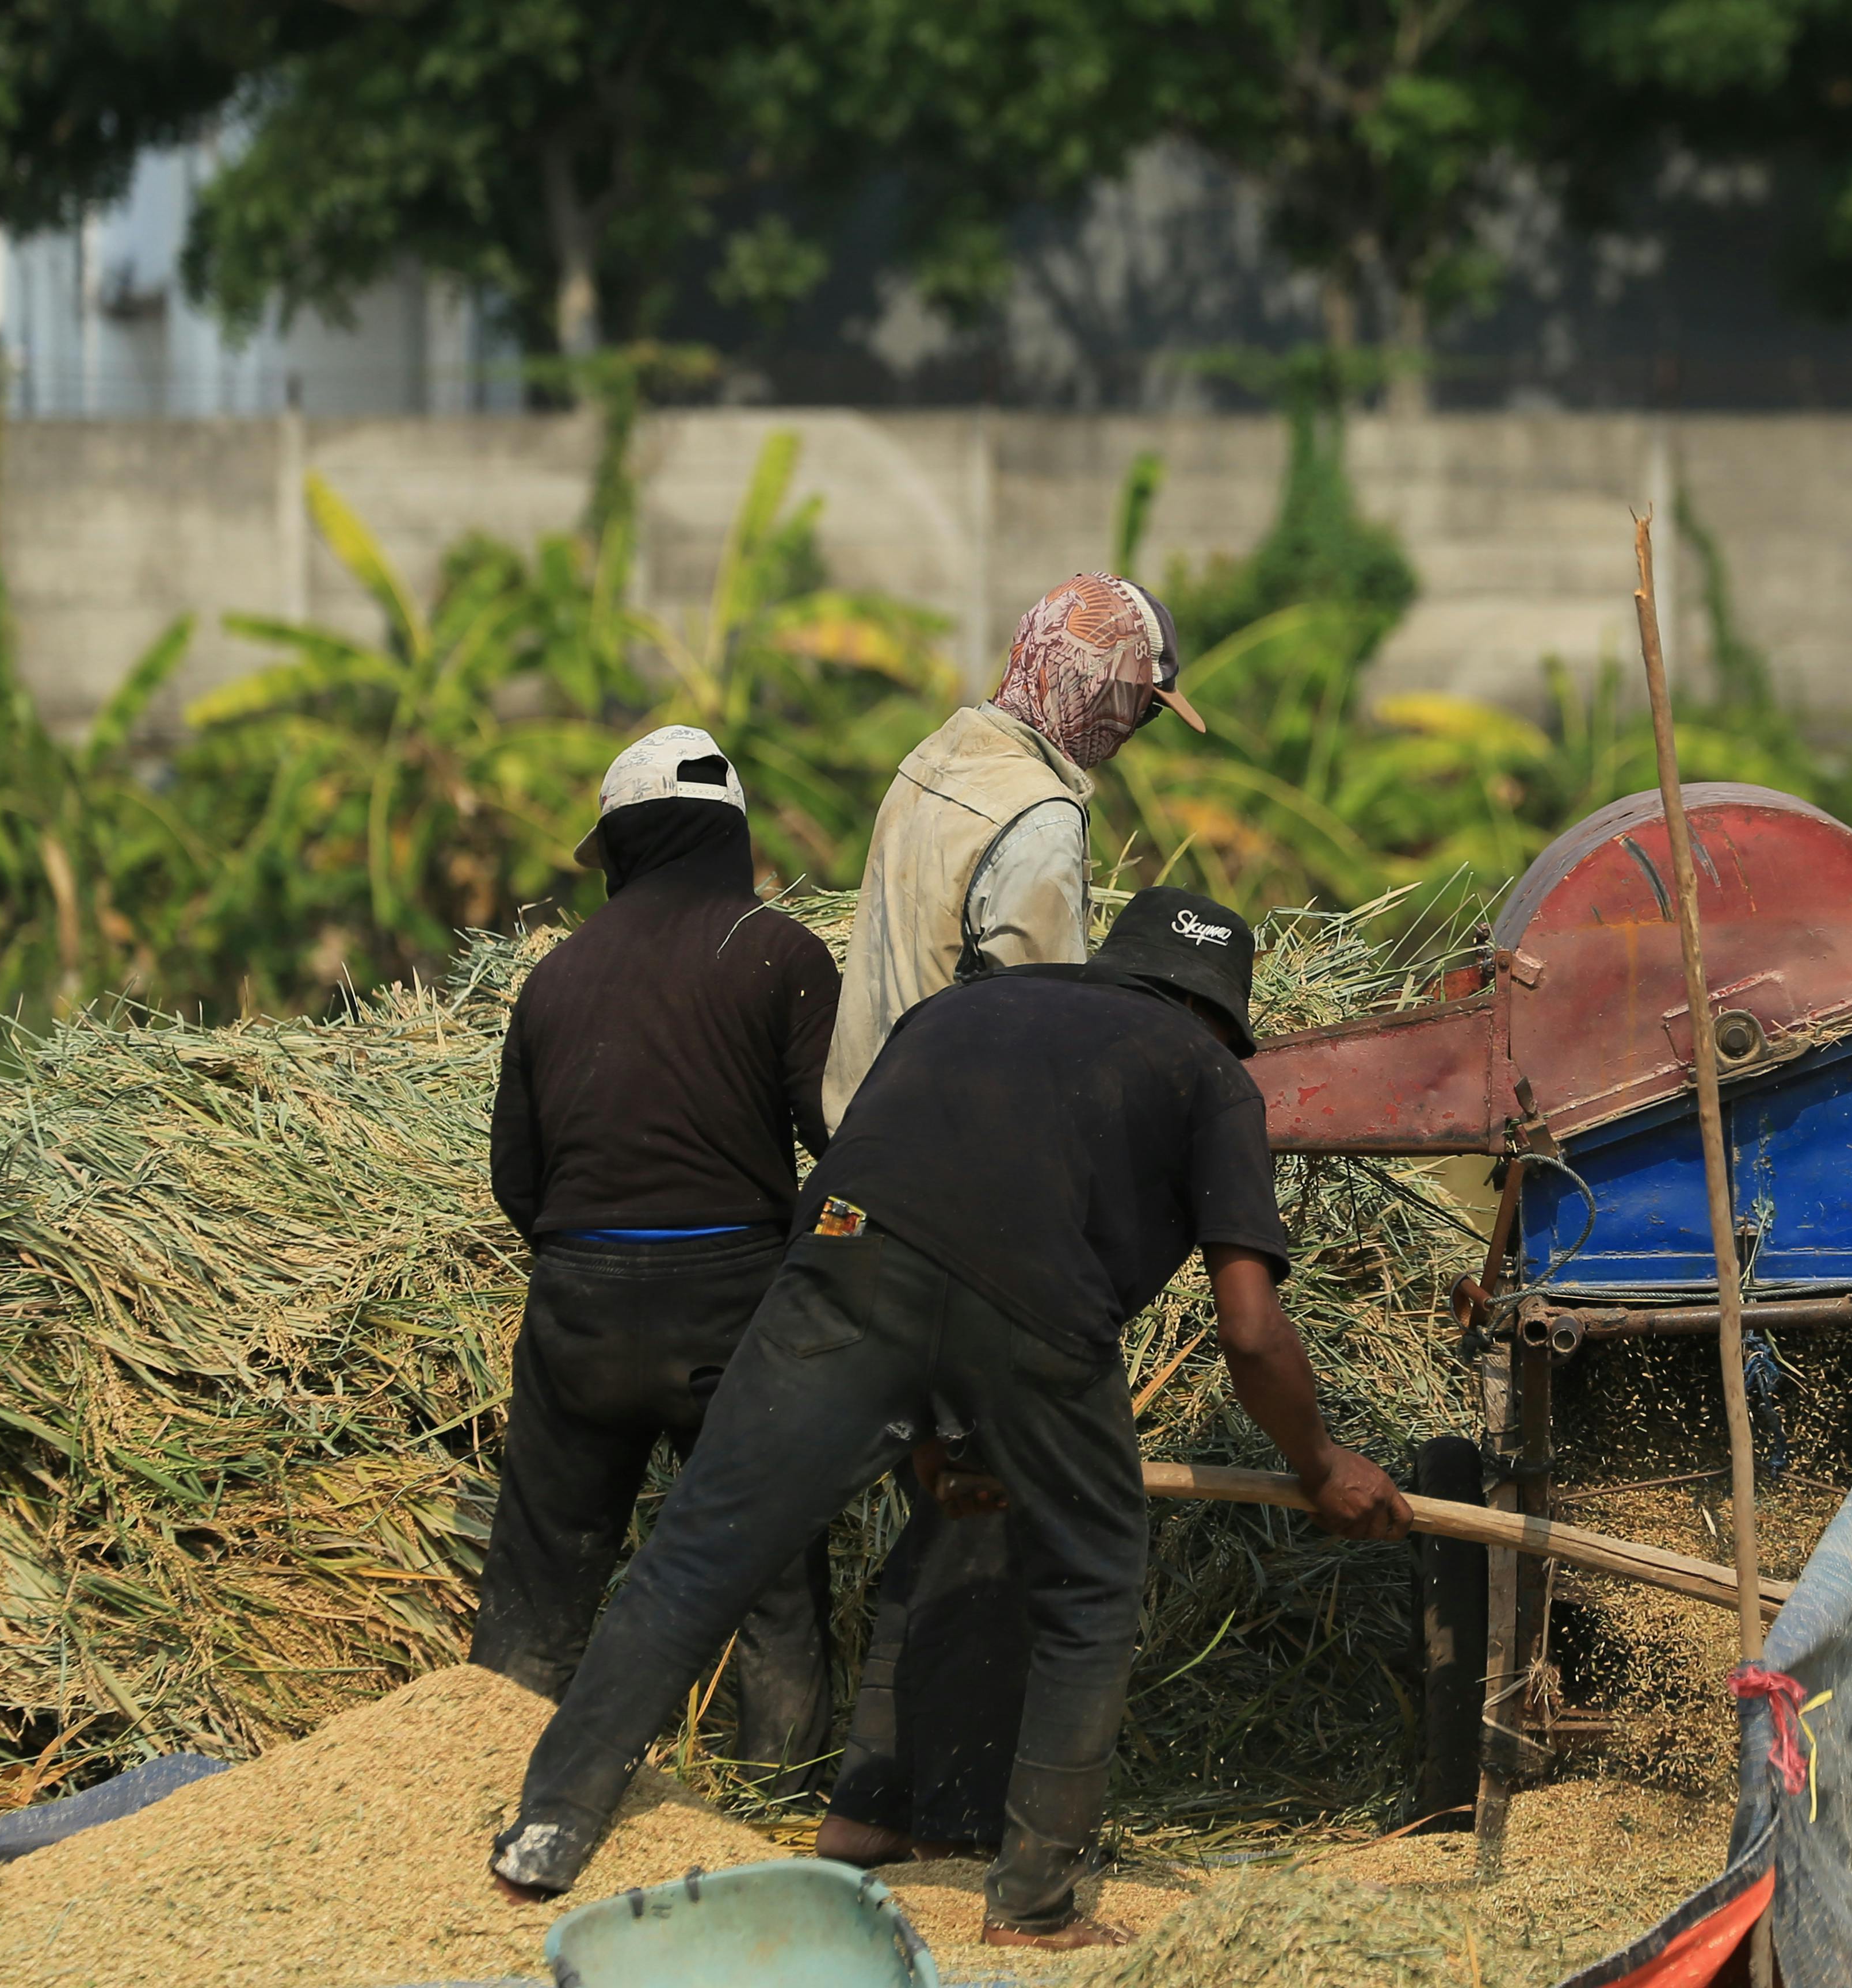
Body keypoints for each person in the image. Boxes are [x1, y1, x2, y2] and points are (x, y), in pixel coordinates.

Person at [488, 886, 1412, 1950]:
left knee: (700, 1547)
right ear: (1220, 1014)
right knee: (1092, 1586)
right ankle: (1034, 1905)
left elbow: (879, 1178)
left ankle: (545, 1831)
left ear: (1115, 965)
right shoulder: (1208, 1075)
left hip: (839, 1253)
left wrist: (927, 1440)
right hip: (1036, 1304)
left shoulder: (962, 1010)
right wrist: (1322, 1461)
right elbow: (1251, 1328)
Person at [814, 573, 1204, 1868]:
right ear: (1095, 696)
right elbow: (1037, 1044)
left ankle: (866, 1806)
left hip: (860, 1162)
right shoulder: (1037, 822)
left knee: (939, 1499)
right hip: (960, 1195)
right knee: (1004, 1510)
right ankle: (972, 1833)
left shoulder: (937, 759)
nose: (1137, 734)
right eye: (1140, 710)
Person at [474, 725, 842, 1792]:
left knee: (543, 1577)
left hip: (578, 1309)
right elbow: (835, 1140)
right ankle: (774, 1801)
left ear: (624, 849)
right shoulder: (778, 952)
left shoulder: (555, 980)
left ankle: (490, 1784)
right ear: (726, 837)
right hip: (733, 1306)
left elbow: (519, 1182)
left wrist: (597, 1257)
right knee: (768, 1573)